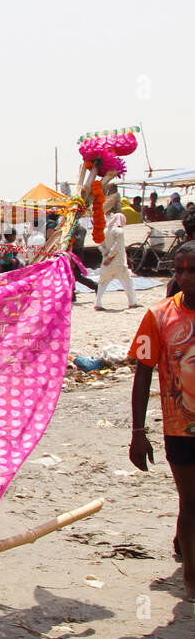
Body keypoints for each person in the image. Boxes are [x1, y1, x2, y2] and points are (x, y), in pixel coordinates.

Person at [128, 240, 195, 599]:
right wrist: (138, 433)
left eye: (193, 269)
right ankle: (192, 579)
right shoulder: (158, 316)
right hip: (180, 428)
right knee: (190, 502)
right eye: (179, 269)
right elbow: (143, 375)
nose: (185, 276)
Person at [96, 186, 140, 310]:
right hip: (118, 262)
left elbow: (100, 245)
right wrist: (110, 257)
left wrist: (105, 254)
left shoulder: (105, 230)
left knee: (103, 283)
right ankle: (132, 302)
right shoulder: (119, 231)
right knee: (127, 282)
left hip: (106, 262)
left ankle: (98, 303)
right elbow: (118, 246)